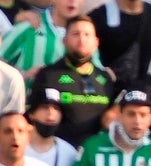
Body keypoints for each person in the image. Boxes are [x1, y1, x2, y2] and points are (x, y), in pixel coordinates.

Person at [30, 15, 116, 147]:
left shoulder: (106, 78)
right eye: (76, 34)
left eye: (87, 34)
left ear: (96, 42)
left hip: (94, 154)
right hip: (60, 151)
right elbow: (33, 117)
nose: (81, 39)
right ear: (64, 41)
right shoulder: (48, 75)